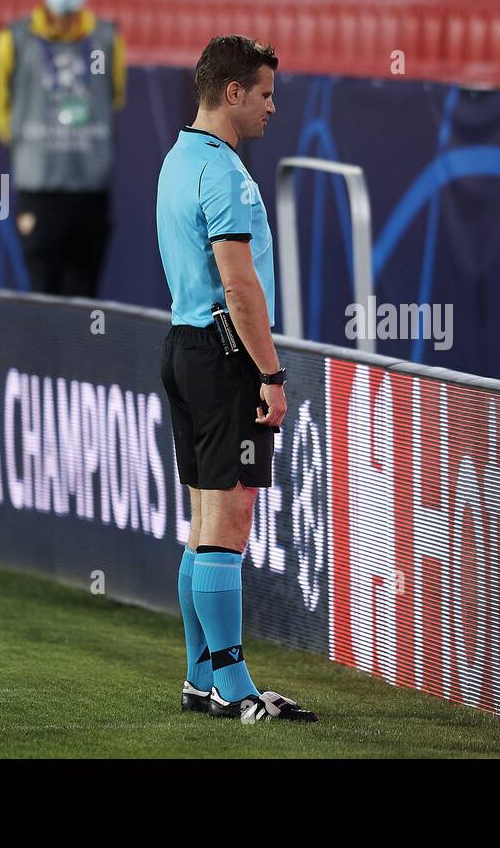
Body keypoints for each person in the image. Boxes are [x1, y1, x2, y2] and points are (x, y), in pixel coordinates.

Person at [156, 35, 317, 723]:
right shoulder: (224, 173)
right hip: (226, 361)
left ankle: (200, 677)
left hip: (186, 347)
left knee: (201, 521)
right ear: (233, 92)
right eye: (266, 93)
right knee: (230, 516)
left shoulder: (178, 159)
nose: (273, 108)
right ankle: (232, 681)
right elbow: (239, 284)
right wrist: (270, 374)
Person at [0, 0, 126, 297]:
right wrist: (24, 142)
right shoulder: (14, 38)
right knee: (43, 295)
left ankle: (82, 354)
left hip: (90, 187)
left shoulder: (106, 39)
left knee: (86, 294)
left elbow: (116, 95)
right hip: (40, 188)